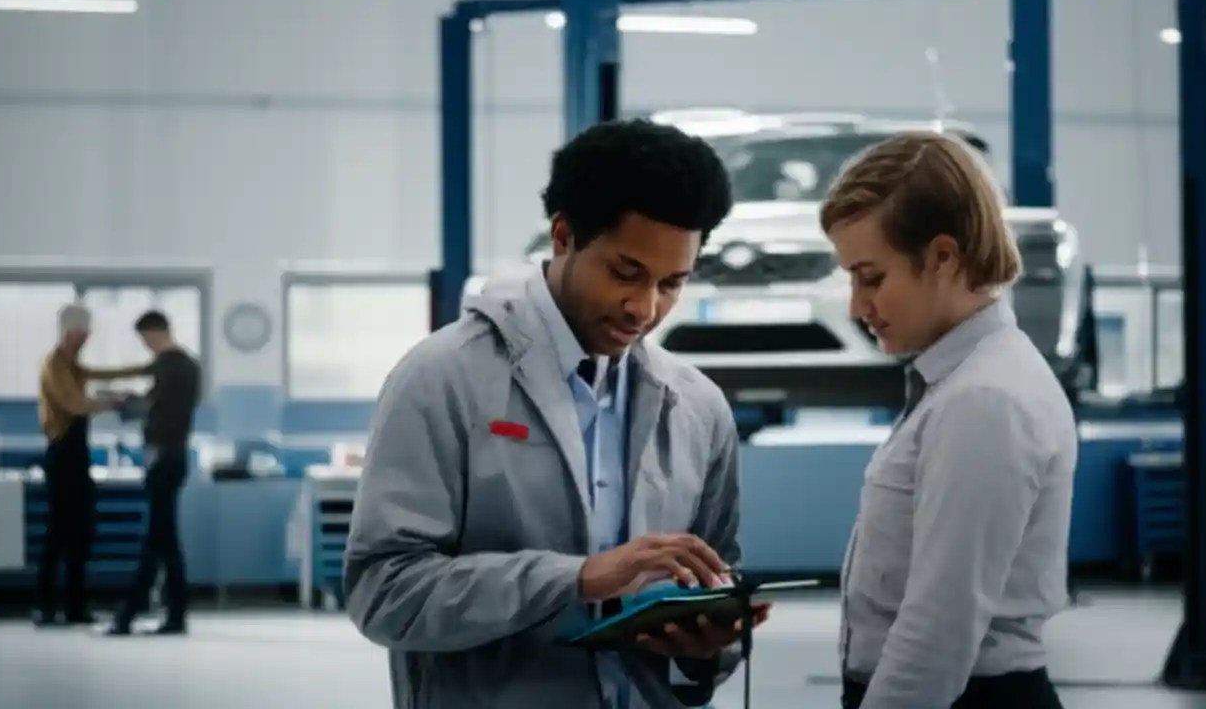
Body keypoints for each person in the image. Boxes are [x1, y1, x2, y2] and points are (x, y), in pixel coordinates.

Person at [344, 118, 768, 708]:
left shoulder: (697, 408)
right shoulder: (442, 380)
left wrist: (706, 648)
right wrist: (578, 578)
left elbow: (717, 579)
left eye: (672, 283)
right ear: (564, 236)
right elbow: (384, 592)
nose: (644, 308)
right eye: (626, 273)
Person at [826, 133, 1077, 709]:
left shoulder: (984, 402)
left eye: (872, 277)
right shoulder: (962, 384)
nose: (856, 307)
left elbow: (937, 631)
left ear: (943, 257)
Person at [34, 303, 147, 626]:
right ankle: (44, 607)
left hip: (77, 457)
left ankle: (74, 607)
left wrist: (143, 369)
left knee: (81, 534)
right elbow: (75, 403)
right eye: (81, 334)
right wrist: (113, 401)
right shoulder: (54, 364)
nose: (85, 340)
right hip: (62, 456)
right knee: (58, 534)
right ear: (68, 332)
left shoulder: (74, 365)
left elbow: (103, 374)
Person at [106, 310, 201, 636]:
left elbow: (158, 412)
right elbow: (164, 406)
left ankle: (128, 615)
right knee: (163, 540)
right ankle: (168, 615)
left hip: (163, 457)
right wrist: (138, 401)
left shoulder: (167, 365)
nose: (146, 346)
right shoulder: (189, 366)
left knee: (157, 540)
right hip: (175, 456)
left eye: (146, 339)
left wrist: (125, 404)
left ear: (156, 332)